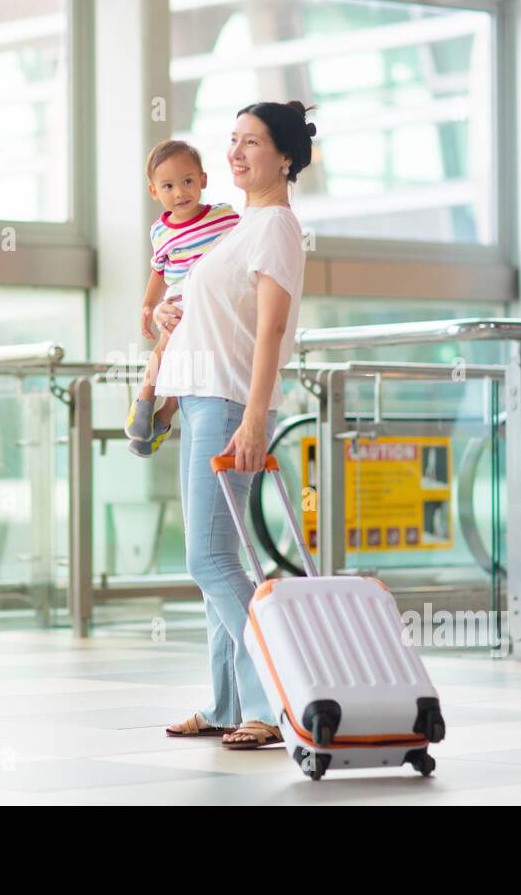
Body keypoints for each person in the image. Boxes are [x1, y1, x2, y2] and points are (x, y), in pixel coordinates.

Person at [154, 101, 316, 749]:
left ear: (285, 157)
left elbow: (271, 329)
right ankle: (227, 701)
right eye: (233, 141)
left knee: (210, 558)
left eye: (252, 142)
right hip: (200, 399)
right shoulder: (235, 227)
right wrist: (171, 314)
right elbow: (214, 306)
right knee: (216, 558)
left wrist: (254, 419)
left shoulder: (275, 226)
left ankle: (270, 702)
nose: (237, 152)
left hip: (228, 404)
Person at [125, 140, 239, 457]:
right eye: (168, 186)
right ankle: (145, 401)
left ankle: (164, 417)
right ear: (154, 191)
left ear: (203, 179)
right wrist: (148, 305)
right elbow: (158, 270)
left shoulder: (224, 218)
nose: (180, 192)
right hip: (179, 304)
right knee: (165, 350)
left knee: (192, 371)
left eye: (187, 181)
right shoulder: (160, 231)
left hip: (213, 309)